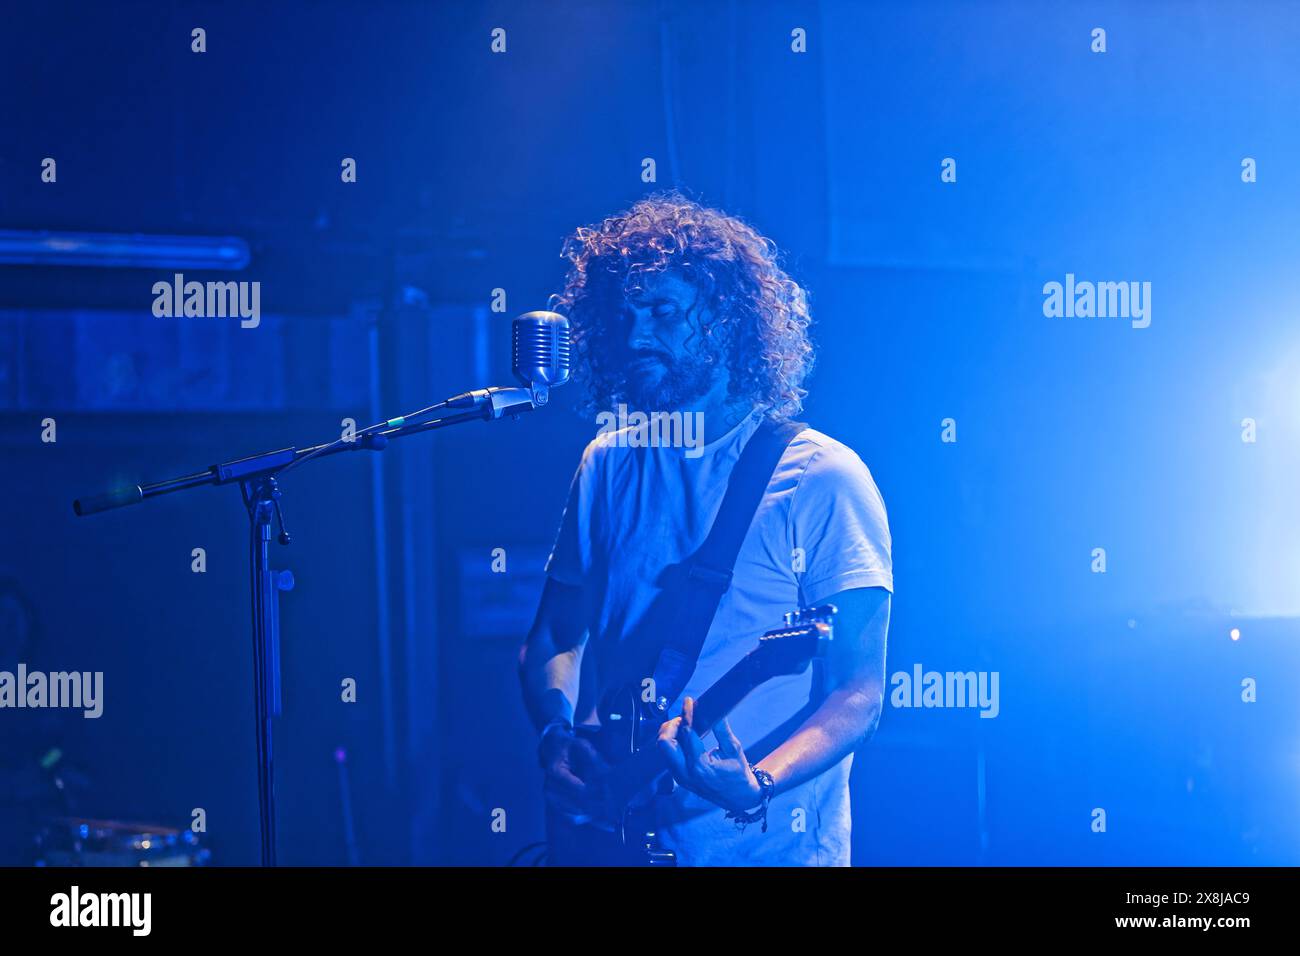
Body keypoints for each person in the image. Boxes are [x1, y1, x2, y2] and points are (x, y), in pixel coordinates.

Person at [519, 193, 892, 865]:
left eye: (662, 311)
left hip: (764, 850)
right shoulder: (605, 463)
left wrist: (758, 783)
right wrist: (556, 733)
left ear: (725, 318)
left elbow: (857, 693)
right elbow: (553, 634)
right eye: (623, 314)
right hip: (615, 843)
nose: (635, 336)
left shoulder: (823, 477)